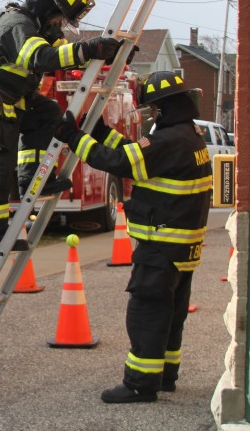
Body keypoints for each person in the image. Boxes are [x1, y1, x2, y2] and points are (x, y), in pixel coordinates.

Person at [56, 70, 212, 403]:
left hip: (161, 245)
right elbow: (135, 153)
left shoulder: (169, 141)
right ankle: (165, 375)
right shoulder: (190, 135)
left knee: (146, 312)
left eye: (155, 110)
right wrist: (99, 132)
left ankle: (140, 384)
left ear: (167, 108)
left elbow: (118, 161)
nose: (152, 116)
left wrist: (73, 137)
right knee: (171, 313)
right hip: (183, 247)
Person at [0, 0, 125, 253]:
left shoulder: (35, 28)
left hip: (7, 103)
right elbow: (41, 58)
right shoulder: (18, 24)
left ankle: (36, 179)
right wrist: (89, 49)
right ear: (50, 10)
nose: (60, 25)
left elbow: (66, 53)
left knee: (48, 113)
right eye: (60, 18)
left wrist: (109, 53)